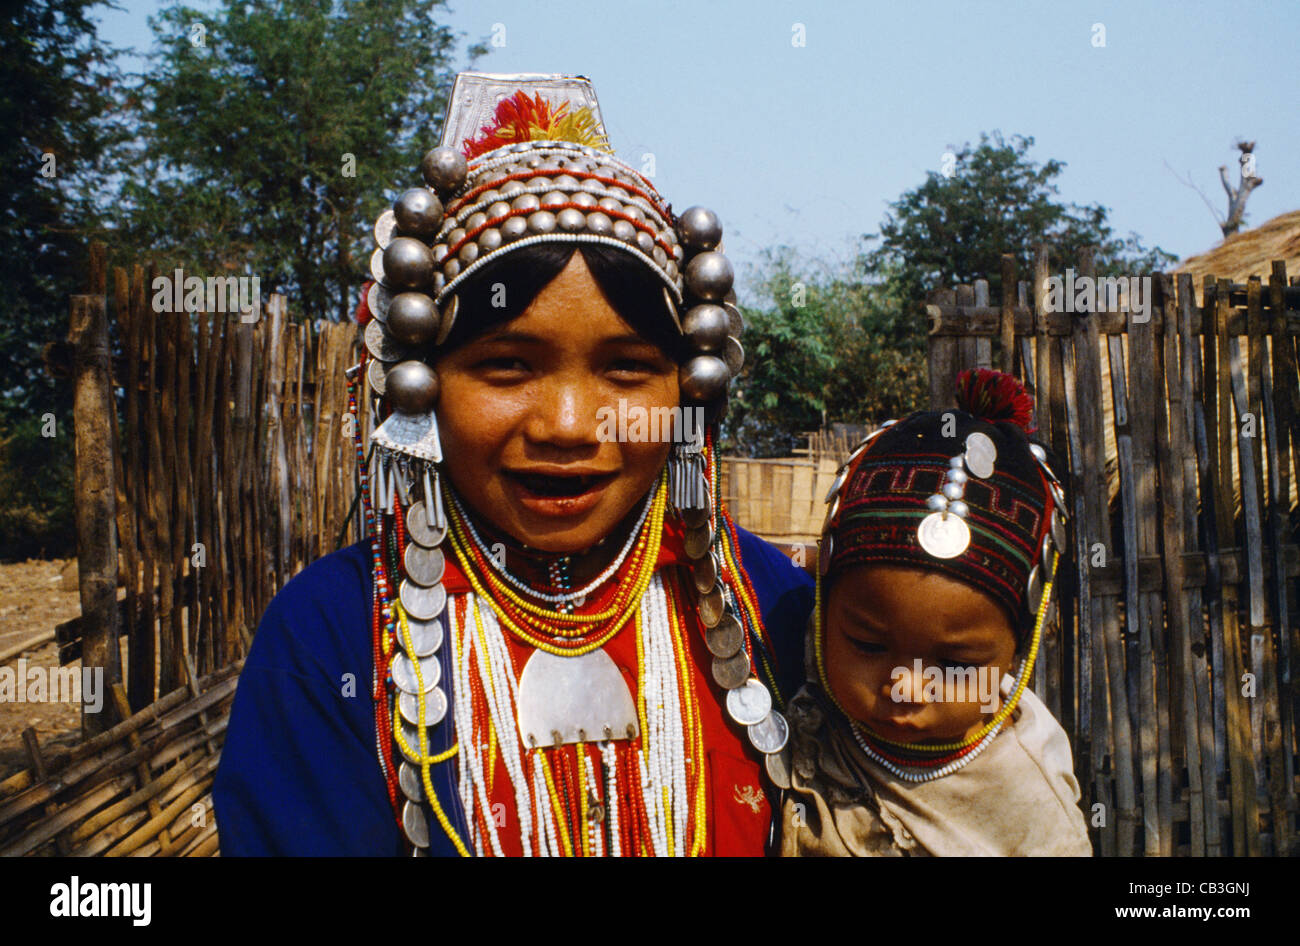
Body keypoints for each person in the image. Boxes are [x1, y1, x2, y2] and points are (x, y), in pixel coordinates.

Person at [213, 73, 813, 856]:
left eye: (627, 370)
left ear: (686, 389)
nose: (567, 425)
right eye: (507, 367)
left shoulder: (769, 606)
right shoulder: (333, 636)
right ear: (420, 383)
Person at [779, 369, 1092, 856]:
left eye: (956, 666)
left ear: (1018, 653)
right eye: (867, 644)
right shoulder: (806, 693)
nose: (905, 688)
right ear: (823, 606)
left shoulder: (1031, 812)